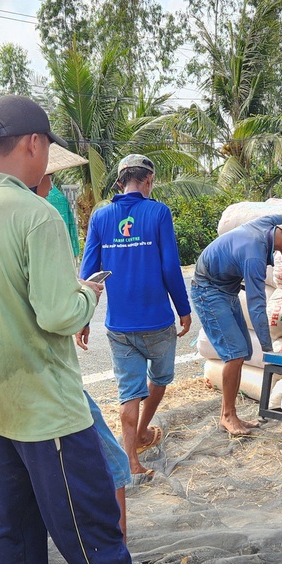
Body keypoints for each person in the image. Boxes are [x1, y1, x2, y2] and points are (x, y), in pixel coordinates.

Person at [0, 94, 183, 564]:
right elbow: (58, 315)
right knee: (93, 536)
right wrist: (88, 296)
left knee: (12, 535)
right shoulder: (37, 214)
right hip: (46, 412)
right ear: (34, 144)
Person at [78, 154, 192, 477]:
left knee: (129, 392)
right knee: (159, 379)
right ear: (148, 181)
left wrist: (83, 318)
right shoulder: (158, 213)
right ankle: (142, 430)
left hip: (119, 326)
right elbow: (170, 267)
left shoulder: (100, 218)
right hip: (157, 322)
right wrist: (183, 309)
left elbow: (88, 273)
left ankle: (131, 460)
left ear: (120, 182)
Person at [190, 210, 282, 436]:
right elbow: (257, 307)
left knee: (243, 351)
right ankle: (227, 416)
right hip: (207, 290)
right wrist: (269, 350)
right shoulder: (254, 255)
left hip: (225, 288)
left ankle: (230, 413)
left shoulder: (273, 224)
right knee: (235, 354)